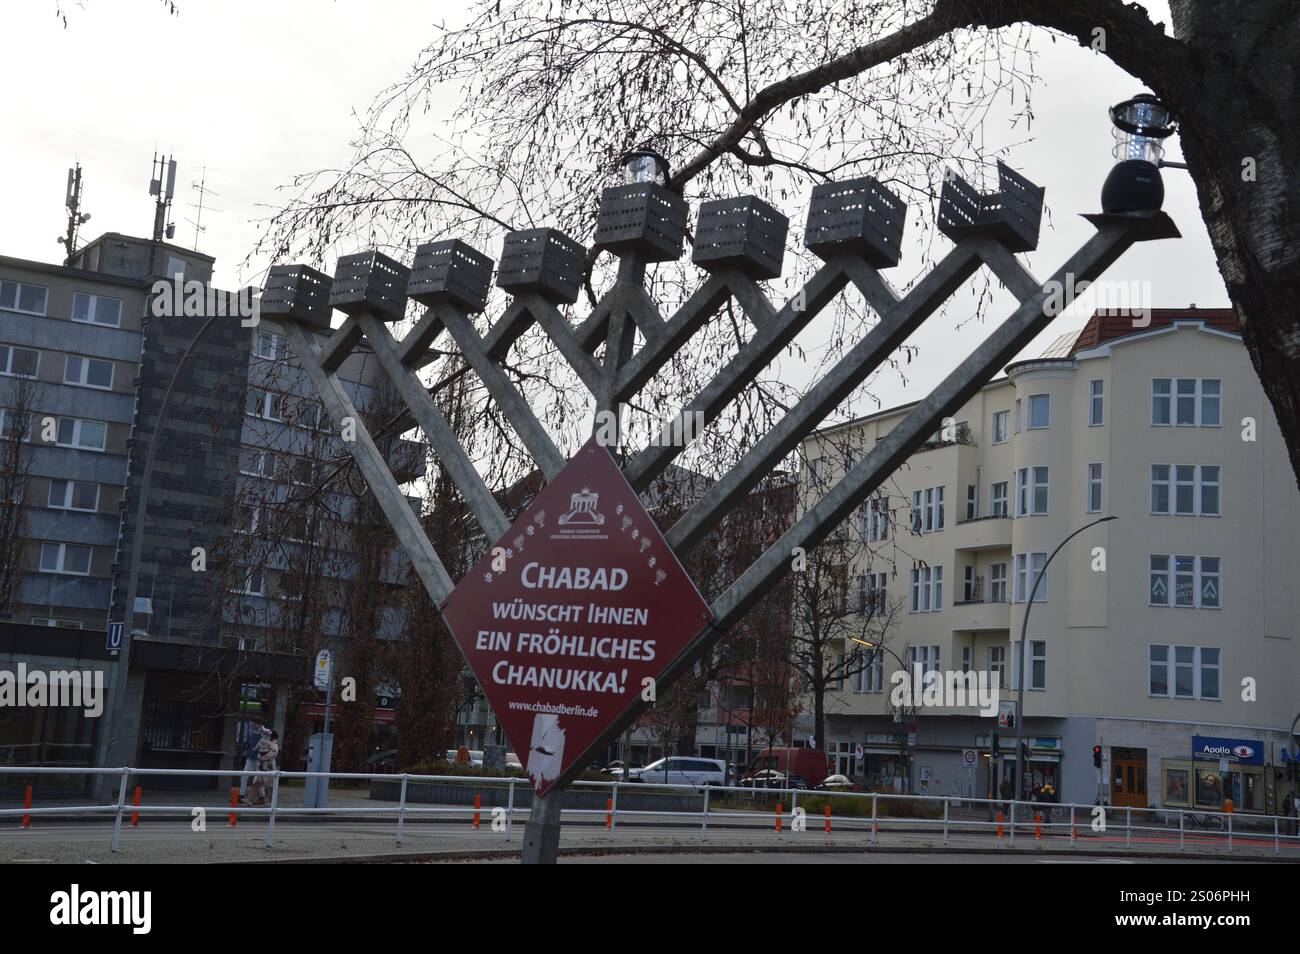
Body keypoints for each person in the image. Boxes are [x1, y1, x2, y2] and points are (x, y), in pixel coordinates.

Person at [239, 717, 263, 798]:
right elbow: (249, 743)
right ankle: (241, 794)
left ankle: (261, 796)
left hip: (260, 759)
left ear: (257, 723)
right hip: (250, 757)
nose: (251, 725)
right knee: (244, 775)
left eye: (253, 723)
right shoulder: (250, 731)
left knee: (258, 778)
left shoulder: (264, 732)